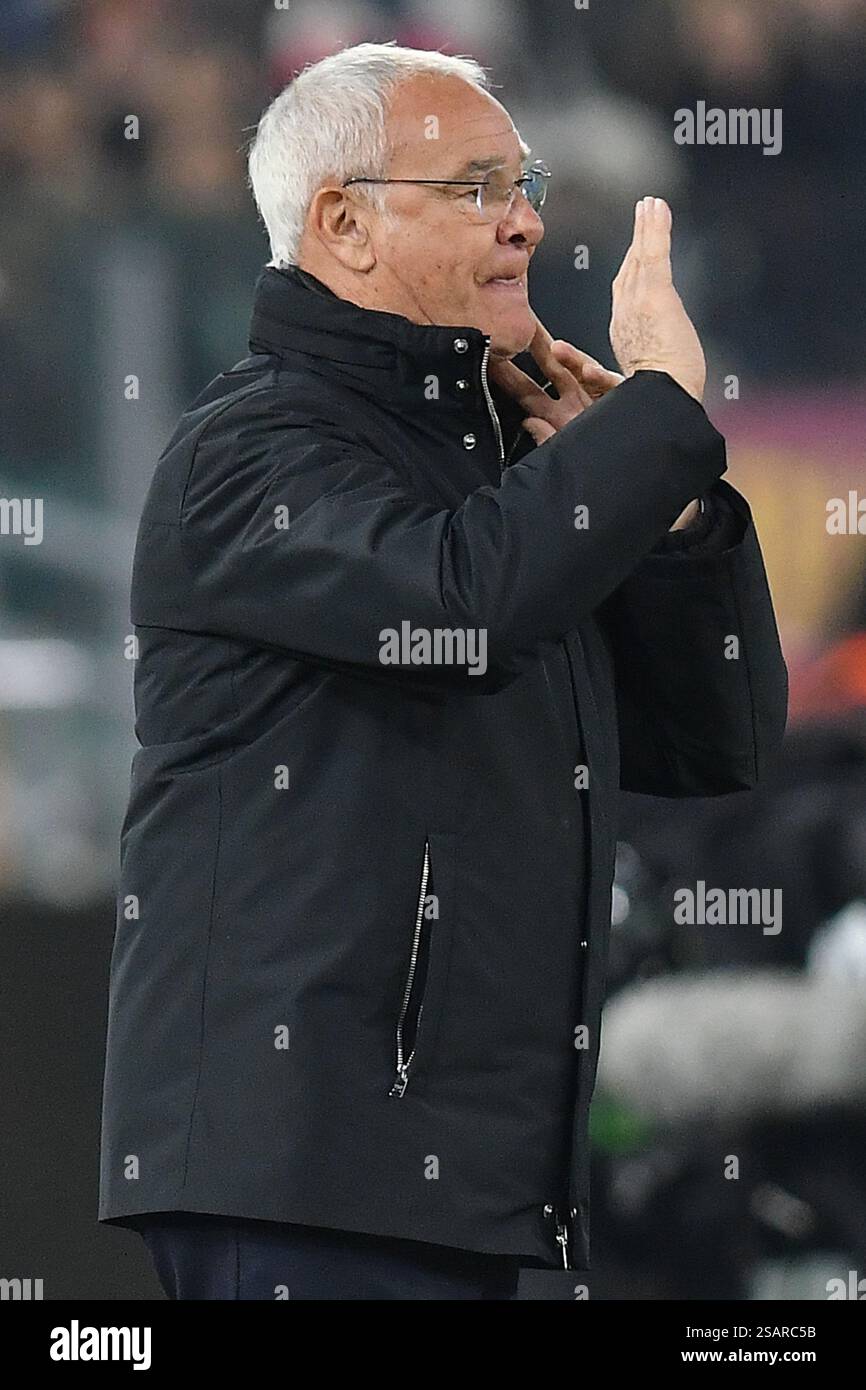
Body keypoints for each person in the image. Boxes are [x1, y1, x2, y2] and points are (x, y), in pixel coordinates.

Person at [97, 42, 788, 1300]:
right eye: (475, 188)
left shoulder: (511, 474)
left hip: (478, 1183)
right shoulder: (251, 452)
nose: (525, 219)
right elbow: (463, 609)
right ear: (342, 223)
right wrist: (655, 419)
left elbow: (714, 741)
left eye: (520, 182)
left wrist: (671, 510)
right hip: (306, 1176)